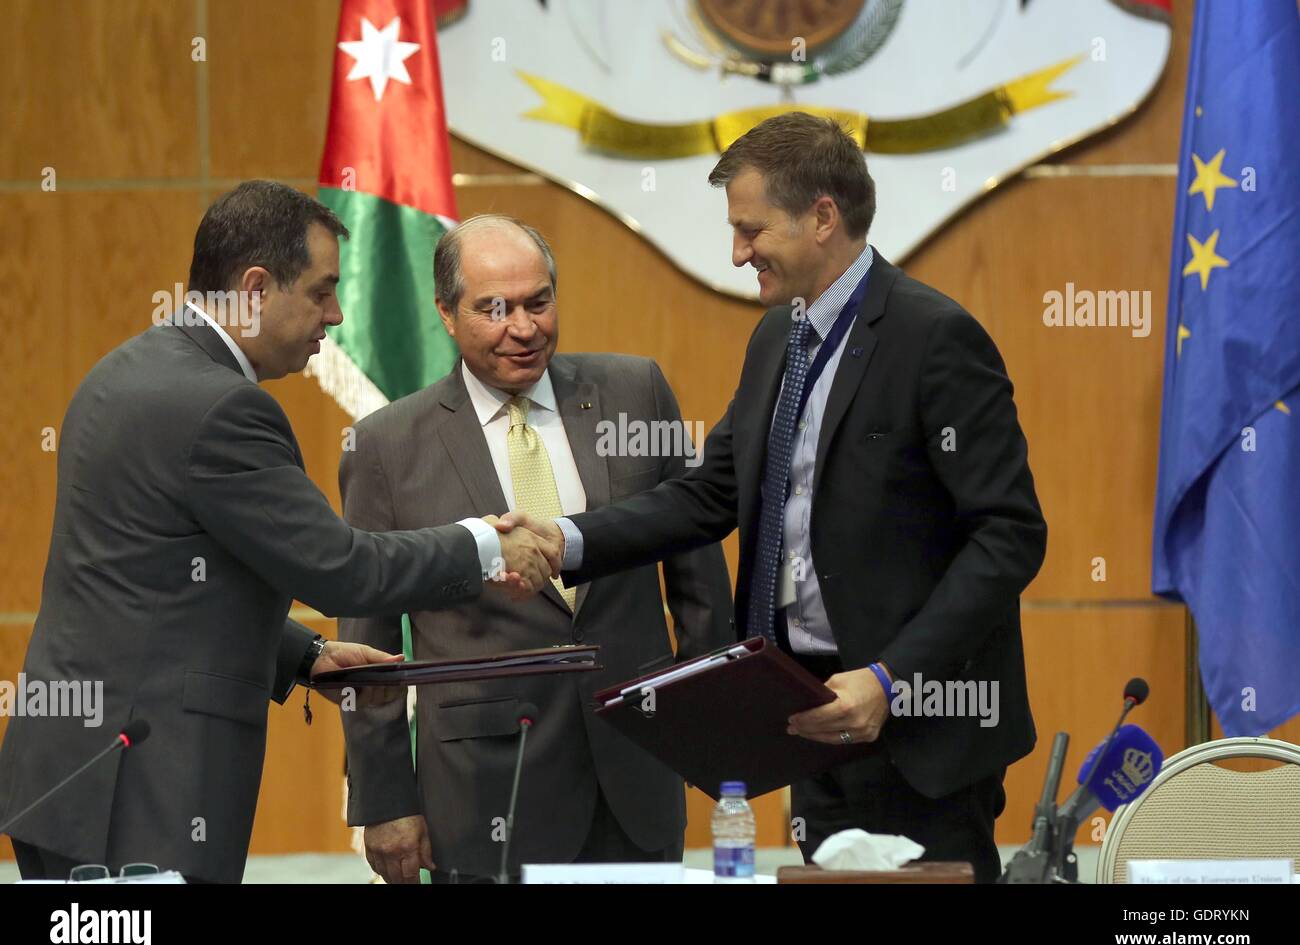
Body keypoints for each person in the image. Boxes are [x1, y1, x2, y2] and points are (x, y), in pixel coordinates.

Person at [500, 114, 1047, 883]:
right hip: (807, 724)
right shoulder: (777, 339)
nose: (737, 253)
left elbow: (1010, 536)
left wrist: (891, 678)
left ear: (822, 216)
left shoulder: (936, 337)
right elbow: (709, 493)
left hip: (921, 737)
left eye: (751, 229)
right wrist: (568, 539)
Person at [0, 181, 559, 884]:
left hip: (70, 778)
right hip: (145, 786)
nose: (336, 313)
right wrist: (485, 543)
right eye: (322, 290)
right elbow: (340, 566)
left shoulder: (124, 372)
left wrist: (305, 654)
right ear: (257, 286)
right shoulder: (222, 407)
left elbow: (151, 579)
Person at [339, 215, 735, 883]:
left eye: (537, 301)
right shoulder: (386, 445)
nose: (522, 327)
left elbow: (697, 577)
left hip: (637, 772)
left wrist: (703, 733)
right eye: (494, 308)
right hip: (484, 790)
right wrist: (385, 802)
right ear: (445, 311)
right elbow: (369, 646)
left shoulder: (636, 393)